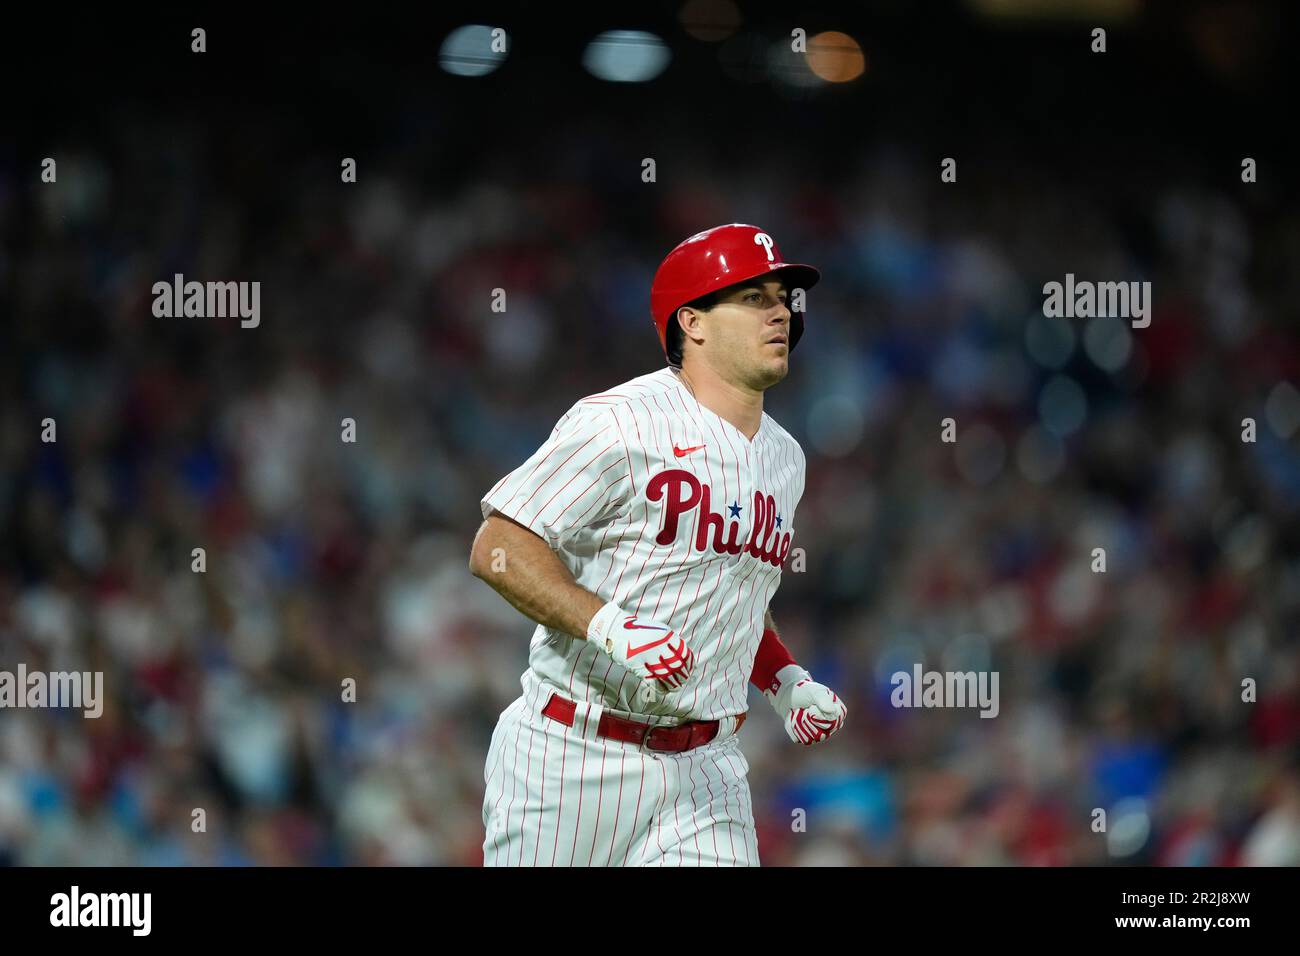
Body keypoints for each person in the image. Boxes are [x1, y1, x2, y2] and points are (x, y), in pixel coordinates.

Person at [469, 223, 847, 866]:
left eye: (783, 297)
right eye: (754, 298)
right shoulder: (618, 421)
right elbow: (497, 546)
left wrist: (784, 680)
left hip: (706, 774)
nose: (781, 311)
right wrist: (611, 627)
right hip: (571, 756)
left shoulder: (786, 459)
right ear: (692, 322)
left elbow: (732, 595)